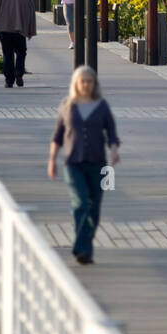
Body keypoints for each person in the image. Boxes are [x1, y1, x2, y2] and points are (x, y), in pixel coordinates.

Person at [48, 66, 120, 265]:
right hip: (73, 163)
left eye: (90, 81)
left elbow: (112, 133)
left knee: (94, 207)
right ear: (76, 84)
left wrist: (114, 151)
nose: (86, 84)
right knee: (80, 202)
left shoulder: (102, 105)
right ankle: (81, 247)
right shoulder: (66, 106)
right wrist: (52, 160)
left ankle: (84, 248)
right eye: (83, 81)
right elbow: (57, 136)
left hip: (99, 164)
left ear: (94, 84)